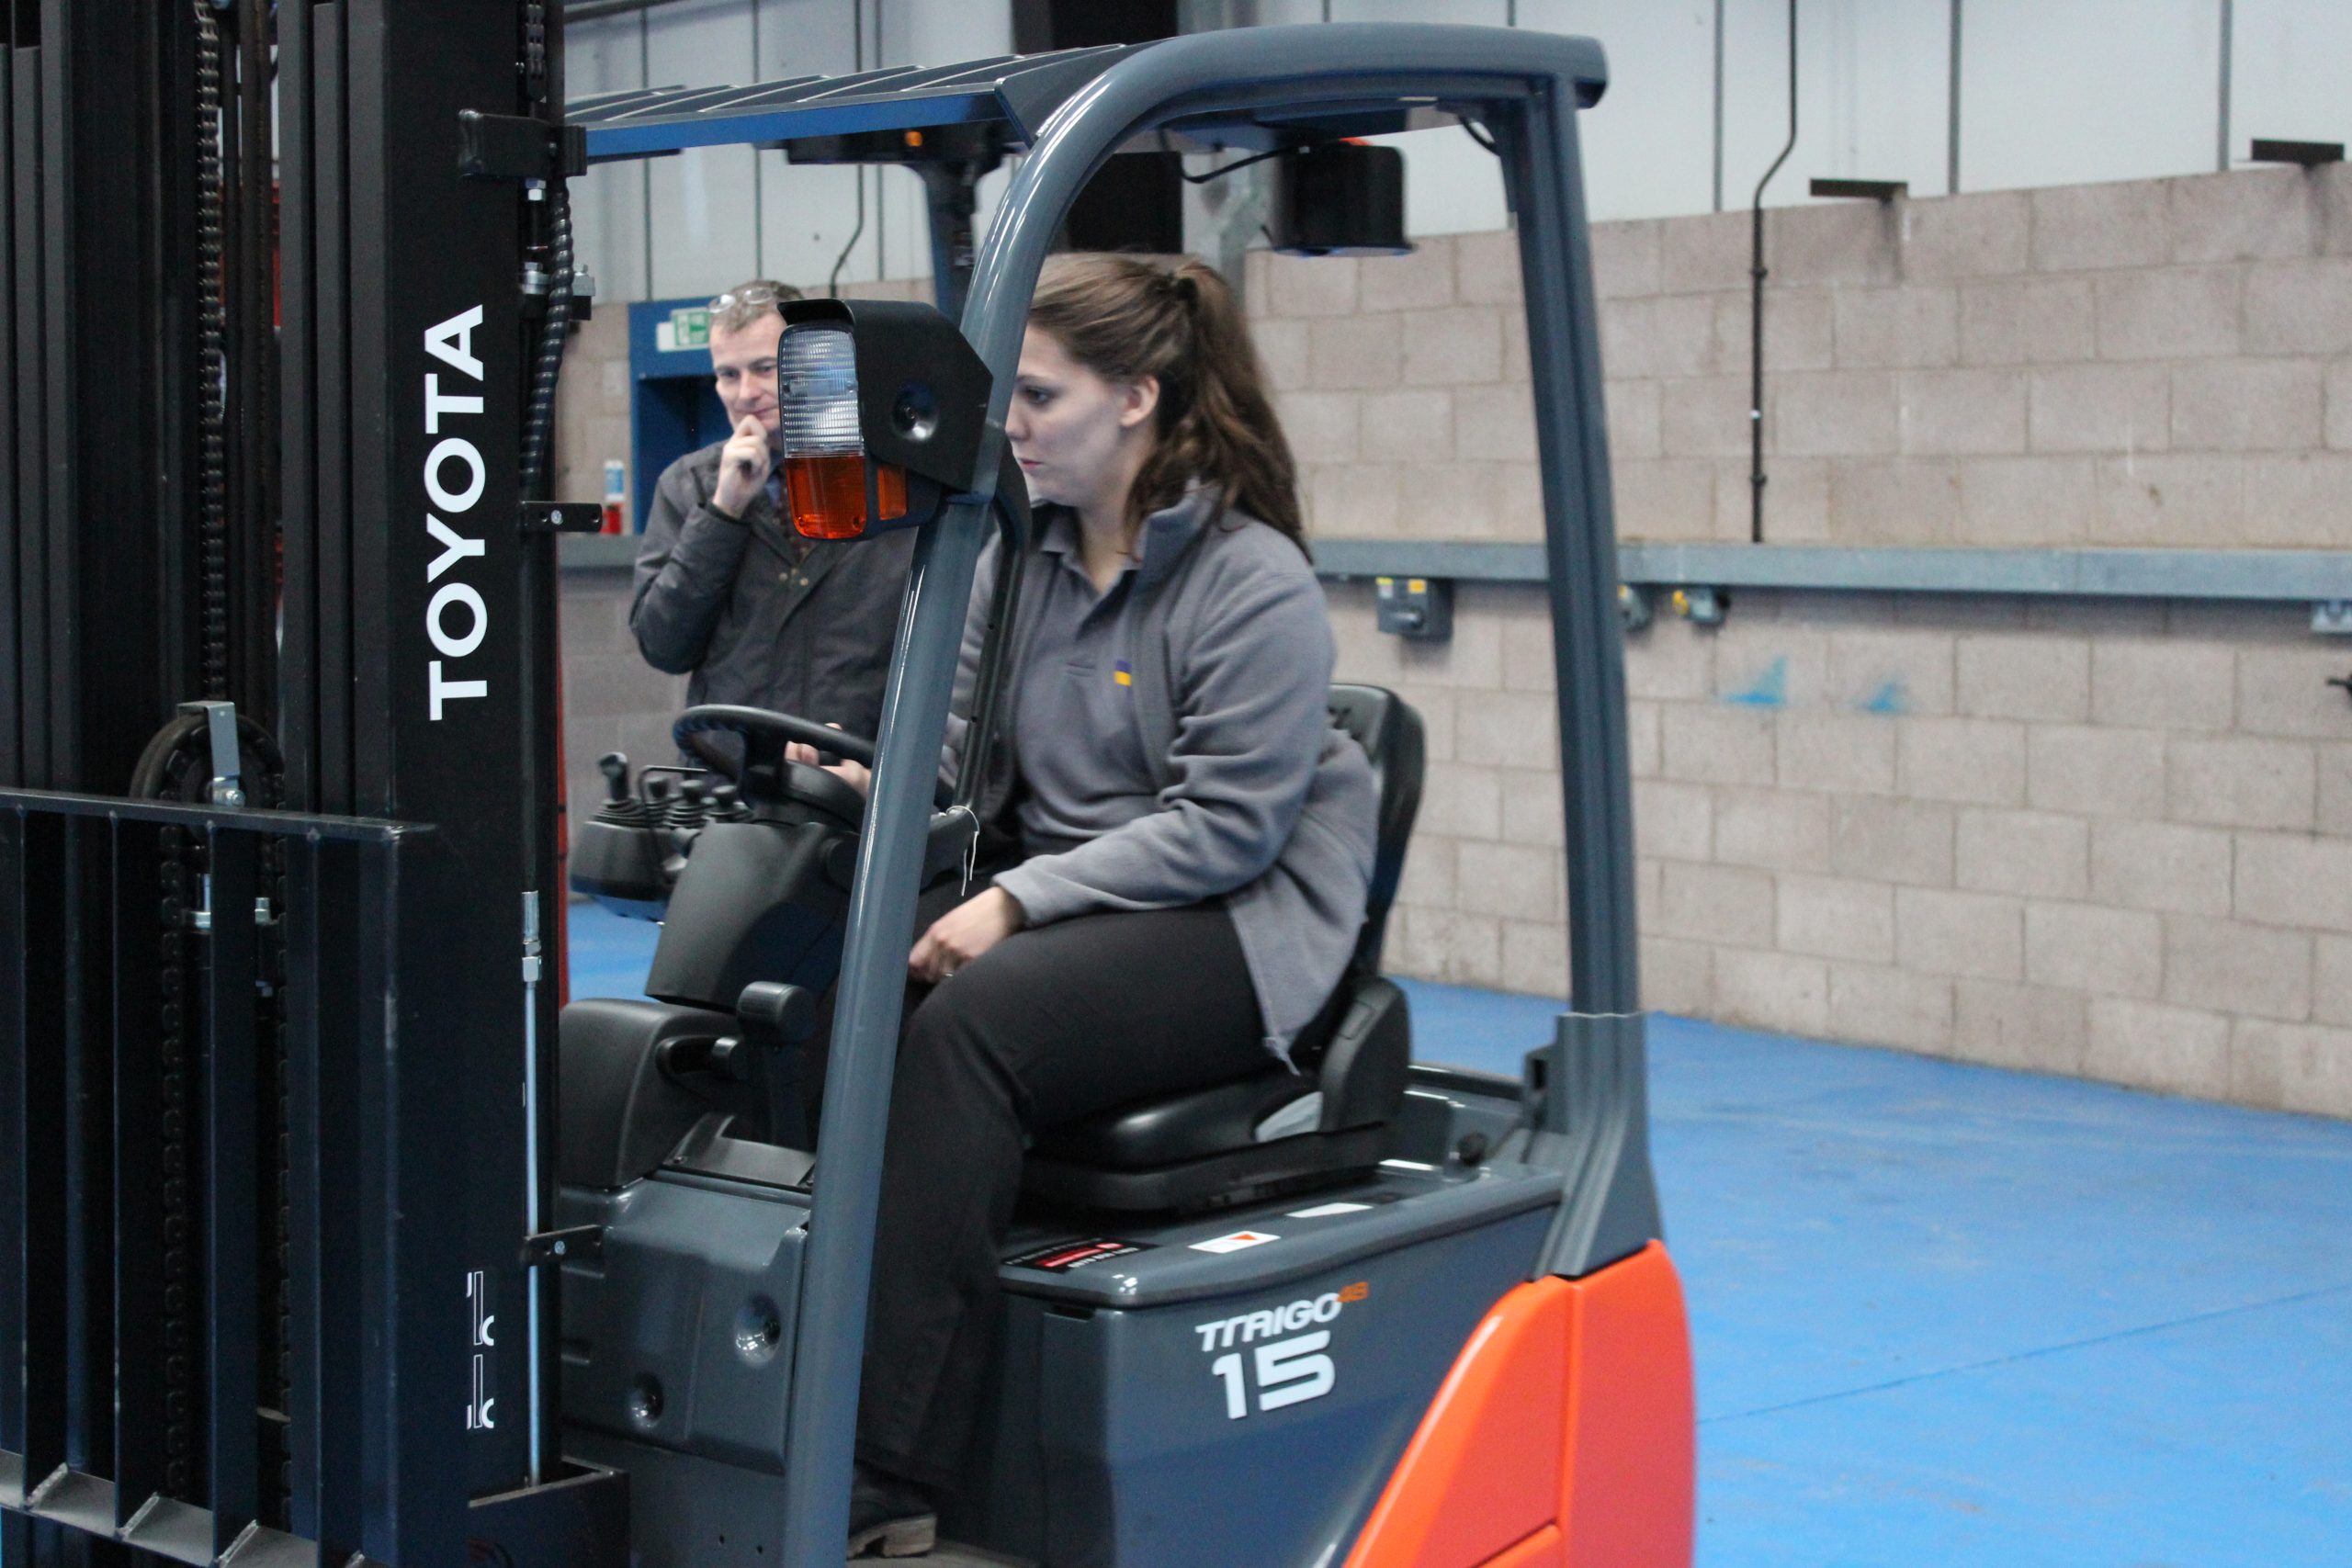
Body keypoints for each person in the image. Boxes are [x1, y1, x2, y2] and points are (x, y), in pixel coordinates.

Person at [796, 254, 1380, 1558]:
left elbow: (1227, 828)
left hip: (1237, 927)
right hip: (1082, 905)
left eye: (1041, 396)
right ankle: (801, 1370)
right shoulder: (1024, 559)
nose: (1012, 423)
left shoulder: (1250, 579)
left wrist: (1013, 898)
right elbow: (952, 739)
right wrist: (859, 771)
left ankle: (877, 1473)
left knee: (977, 1026)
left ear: (1138, 398)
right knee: (817, 992)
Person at [628, 279, 919, 753]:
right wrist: (723, 513)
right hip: (728, 784)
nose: (745, 392)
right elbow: (663, 646)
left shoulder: (895, 482)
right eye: (727, 374)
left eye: (765, 368)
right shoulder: (691, 487)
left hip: (858, 779)